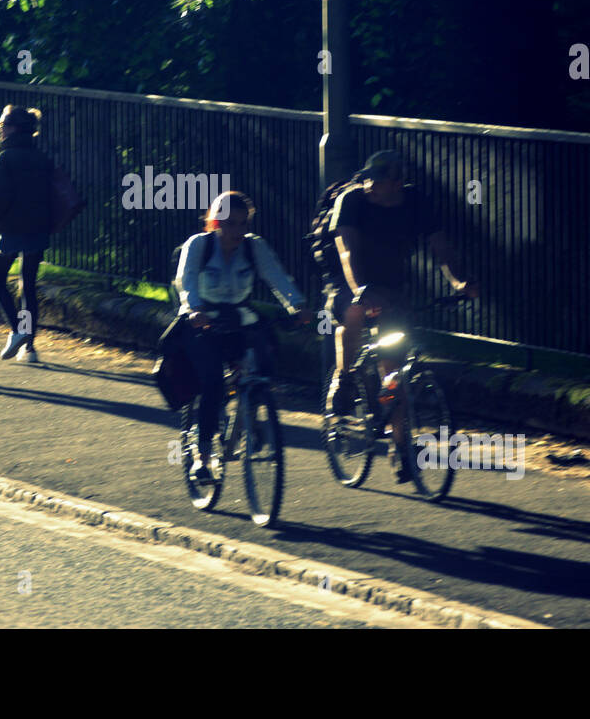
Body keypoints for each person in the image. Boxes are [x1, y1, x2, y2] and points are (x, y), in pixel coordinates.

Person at [326, 150, 479, 470]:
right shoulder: (351, 201)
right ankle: (344, 379)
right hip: (348, 282)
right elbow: (346, 253)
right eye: (366, 178)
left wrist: (460, 281)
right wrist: (361, 291)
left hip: (392, 288)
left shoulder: (414, 202)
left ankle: (401, 449)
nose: (369, 185)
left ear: (396, 184)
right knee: (354, 313)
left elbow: (441, 248)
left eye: (377, 181)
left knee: (394, 370)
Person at [175, 191, 307, 483]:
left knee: (264, 363)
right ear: (216, 222)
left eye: (243, 223)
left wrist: (296, 305)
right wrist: (194, 310)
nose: (238, 231)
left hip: (237, 317)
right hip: (202, 321)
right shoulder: (199, 245)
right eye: (230, 224)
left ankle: (252, 412)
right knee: (211, 384)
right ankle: (203, 456)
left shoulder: (253, 246)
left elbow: (277, 277)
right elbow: (185, 282)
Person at [0, 104, 53, 362]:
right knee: (28, 286)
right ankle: (30, 347)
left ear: (15, 128)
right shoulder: (42, 158)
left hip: (11, 229)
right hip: (38, 228)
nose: (0, 129)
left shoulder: (5, 158)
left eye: (4, 125)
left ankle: (16, 330)